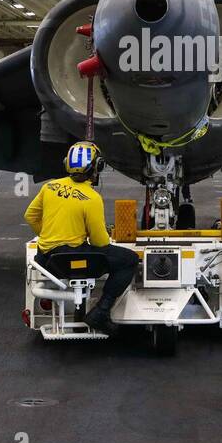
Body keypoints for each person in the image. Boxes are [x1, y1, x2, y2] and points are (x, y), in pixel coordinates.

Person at [24, 141, 139, 335]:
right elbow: (100, 242)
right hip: (72, 261)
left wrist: (48, 235)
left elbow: (30, 216)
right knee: (129, 260)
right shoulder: (92, 198)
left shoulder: (49, 187)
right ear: (98, 166)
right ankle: (101, 311)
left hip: (46, 260)